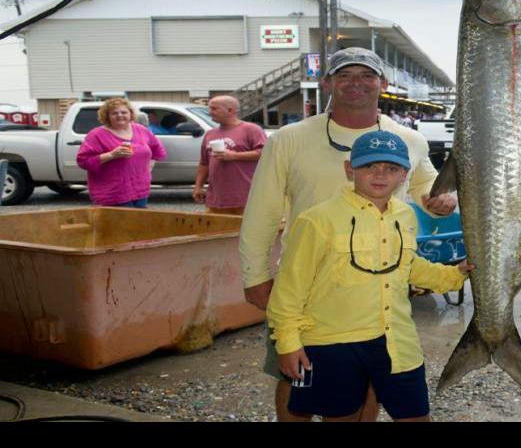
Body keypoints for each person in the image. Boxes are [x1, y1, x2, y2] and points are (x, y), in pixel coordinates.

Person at [239, 46, 458, 422]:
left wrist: (440, 200)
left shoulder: (408, 138)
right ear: (327, 83)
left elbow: (426, 184)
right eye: (344, 75)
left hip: (377, 287)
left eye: (366, 75)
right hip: (308, 282)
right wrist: (255, 275)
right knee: (294, 375)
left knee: (367, 381)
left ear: (383, 84)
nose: (356, 83)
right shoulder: (288, 139)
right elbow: (262, 211)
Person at [267, 131, 471, 422]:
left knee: (416, 416)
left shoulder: (406, 215)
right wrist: (288, 344)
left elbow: (408, 265)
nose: (380, 175)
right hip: (333, 344)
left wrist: (454, 275)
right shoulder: (316, 219)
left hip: (397, 340)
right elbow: (289, 290)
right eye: (369, 166)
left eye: (391, 168)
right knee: (342, 417)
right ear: (350, 169)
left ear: (404, 175)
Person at [76, 98, 167, 208]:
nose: (120, 115)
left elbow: (157, 149)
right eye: (114, 113)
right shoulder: (96, 135)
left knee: (139, 223)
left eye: (124, 112)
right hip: (113, 192)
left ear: (131, 114)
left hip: (140, 189)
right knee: (120, 224)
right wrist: (112, 155)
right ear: (107, 116)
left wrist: (149, 166)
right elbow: (83, 161)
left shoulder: (141, 129)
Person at [192, 96, 267, 215]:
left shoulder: (251, 129)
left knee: (244, 232)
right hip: (216, 199)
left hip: (246, 197)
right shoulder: (210, 134)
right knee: (214, 232)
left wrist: (234, 156)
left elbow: (264, 153)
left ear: (231, 110)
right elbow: (204, 163)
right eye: (210, 108)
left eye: (214, 109)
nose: (210, 112)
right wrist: (198, 187)